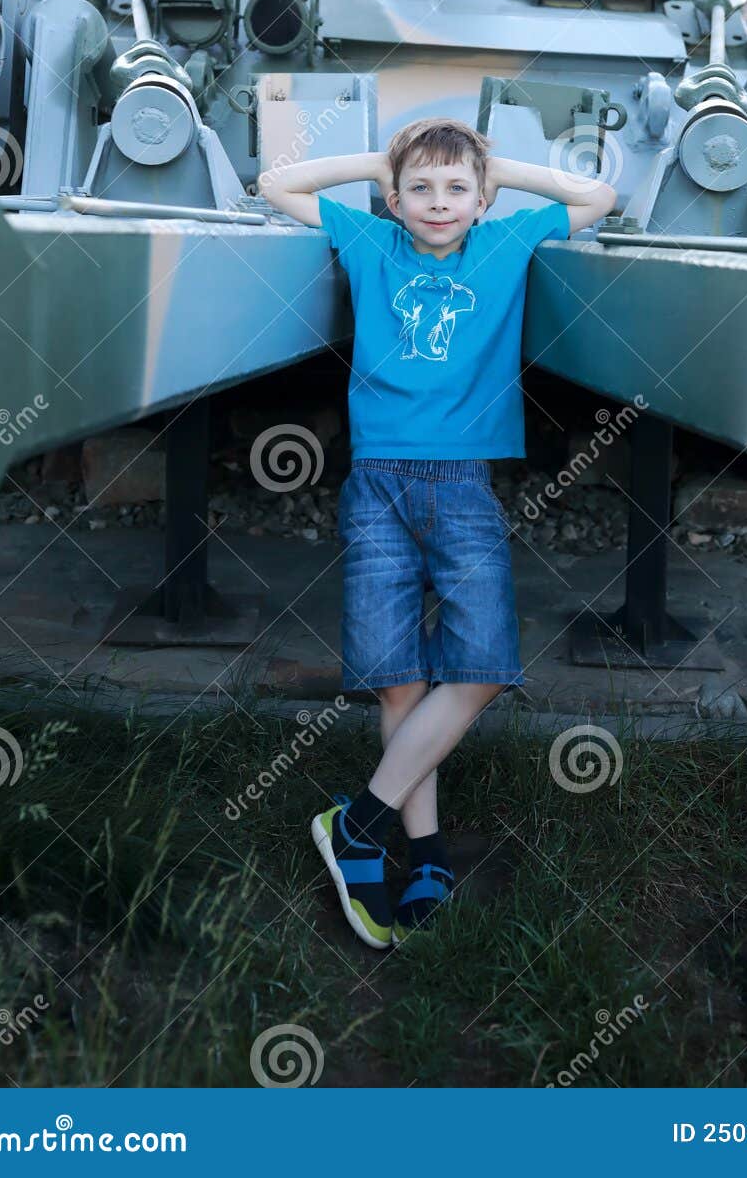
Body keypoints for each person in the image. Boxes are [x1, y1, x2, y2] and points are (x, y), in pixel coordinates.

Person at [259, 118, 617, 948]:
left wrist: (493, 169)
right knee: (397, 682)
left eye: (457, 189)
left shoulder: (503, 242)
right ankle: (424, 853)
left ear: (482, 199)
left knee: (481, 666)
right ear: (392, 198)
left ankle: (357, 824)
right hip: (377, 483)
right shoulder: (370, 241)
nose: (437, 202)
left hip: (462, 487)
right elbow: (276, 185)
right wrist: (386, 161)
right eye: (418, 188)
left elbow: (597, 195)